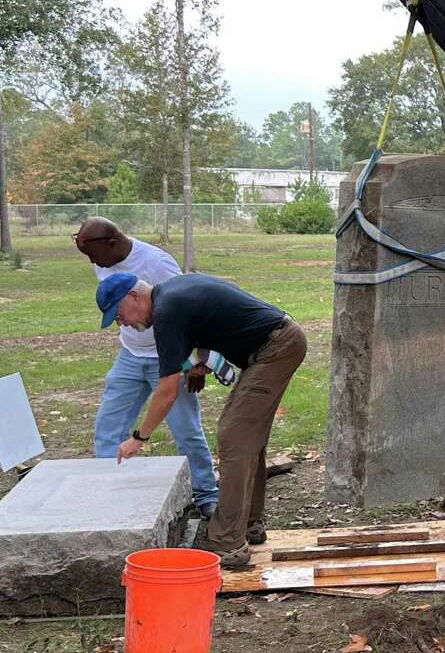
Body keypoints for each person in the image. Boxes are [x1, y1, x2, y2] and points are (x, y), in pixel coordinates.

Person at [96, 270, 307, 567]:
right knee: (247, 435)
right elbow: (210, 322)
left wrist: (138, 437)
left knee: (234, 435)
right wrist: (197, 364)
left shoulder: (167, 311)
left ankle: (227, 543)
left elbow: (167, 391)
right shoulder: (171, 294)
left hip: (275, 347)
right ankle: (249, 524)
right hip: (277, 343)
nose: (123, 323)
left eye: (118, 315)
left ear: (133, 296)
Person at [74, 218, 218, 516]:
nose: (92, 262)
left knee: (185, 430)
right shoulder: (102, 259)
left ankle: (204, 493)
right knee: (108, 427)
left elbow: (188, 307)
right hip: (130, 355)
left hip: (167, 356)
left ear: (111, 243)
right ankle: (110, 493)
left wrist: (195, 362)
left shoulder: (156, 263)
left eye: (92, 255)